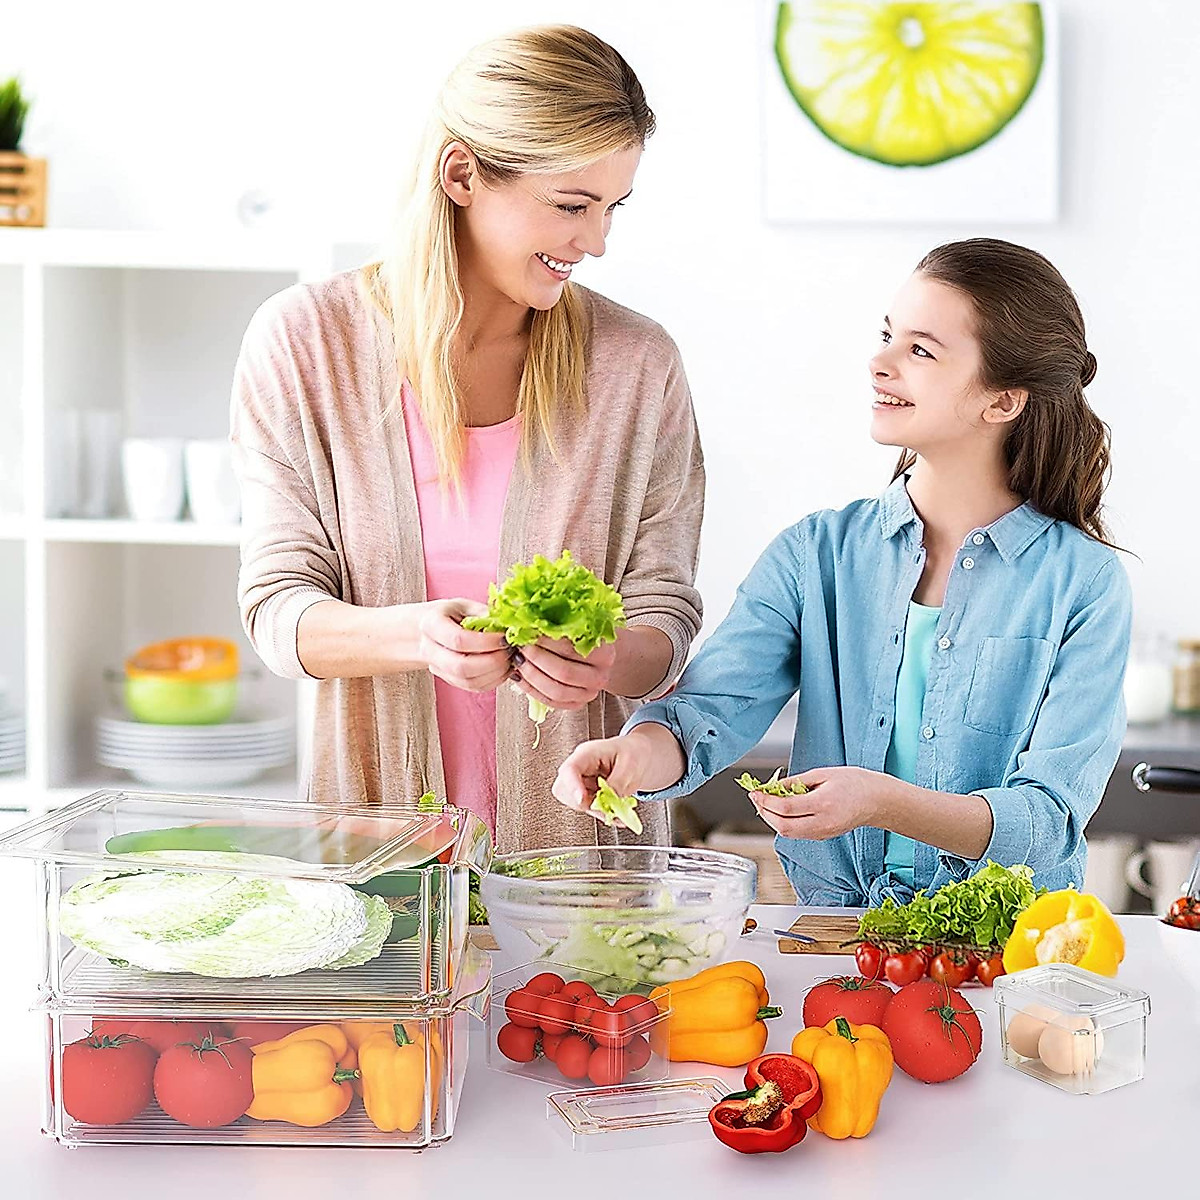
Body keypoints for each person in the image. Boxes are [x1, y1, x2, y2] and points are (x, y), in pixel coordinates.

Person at [230, 26, 704, 851]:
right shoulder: (305, 345)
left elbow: (664, 619)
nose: (596, 242)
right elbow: (279, 614)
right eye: (571, 205)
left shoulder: (638, 365)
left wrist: (604, 658)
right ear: (461, 175)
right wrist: (420, 637)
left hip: (583, 867)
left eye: (611, 207)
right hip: (381, 857)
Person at [554, 238, 1130, 904]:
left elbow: (1050, 818)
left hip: (1012, 949)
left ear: (1001, 401)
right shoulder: (815, 554)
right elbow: (708, 711)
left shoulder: (1082, 582)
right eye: (888, 336)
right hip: (835, 940)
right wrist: (639, 755)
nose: (879, 362)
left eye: (919, 349)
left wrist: (883, 802)